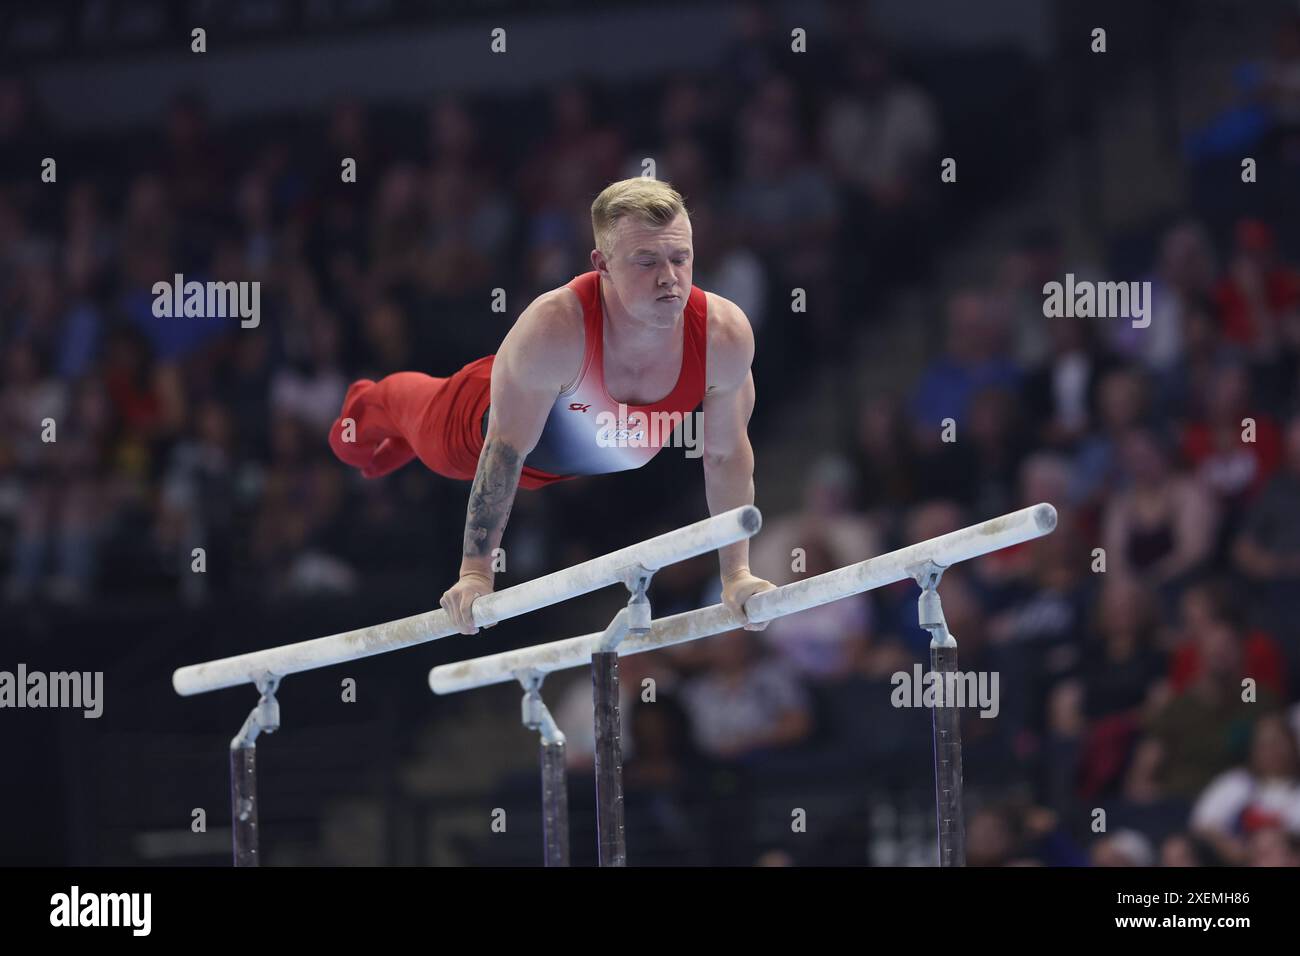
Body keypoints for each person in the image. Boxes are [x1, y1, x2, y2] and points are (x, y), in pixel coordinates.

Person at [327, 178, 775, 633]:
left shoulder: (723, 335)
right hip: (479, 427)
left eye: (681, 258)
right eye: (646, 261)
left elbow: (724, 456)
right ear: (601, 264)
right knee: (401, 419)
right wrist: (476, 574)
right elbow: (504, 452)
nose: (669, 277)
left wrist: (736, 575)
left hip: (563, 453)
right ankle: (364, 408)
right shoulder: (556, 328)